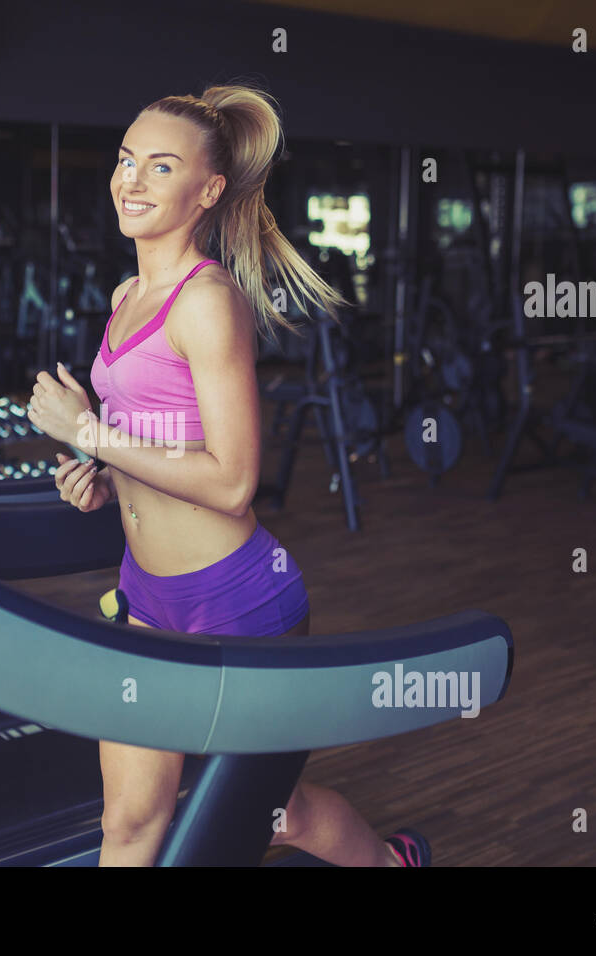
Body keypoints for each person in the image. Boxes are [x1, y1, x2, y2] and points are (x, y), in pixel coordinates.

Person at [25, 83, 432, 868]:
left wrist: (90, 433)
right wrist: (99, 472)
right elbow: (154, 444)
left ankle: (389, 862)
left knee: (271, 816)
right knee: (129, 824)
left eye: (160, 166)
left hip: (238, 603)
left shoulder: (207, 301)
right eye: (125, 159)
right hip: (147, 596)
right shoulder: (125, 295)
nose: (131, 180)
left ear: (207, 190)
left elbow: (234, 481)